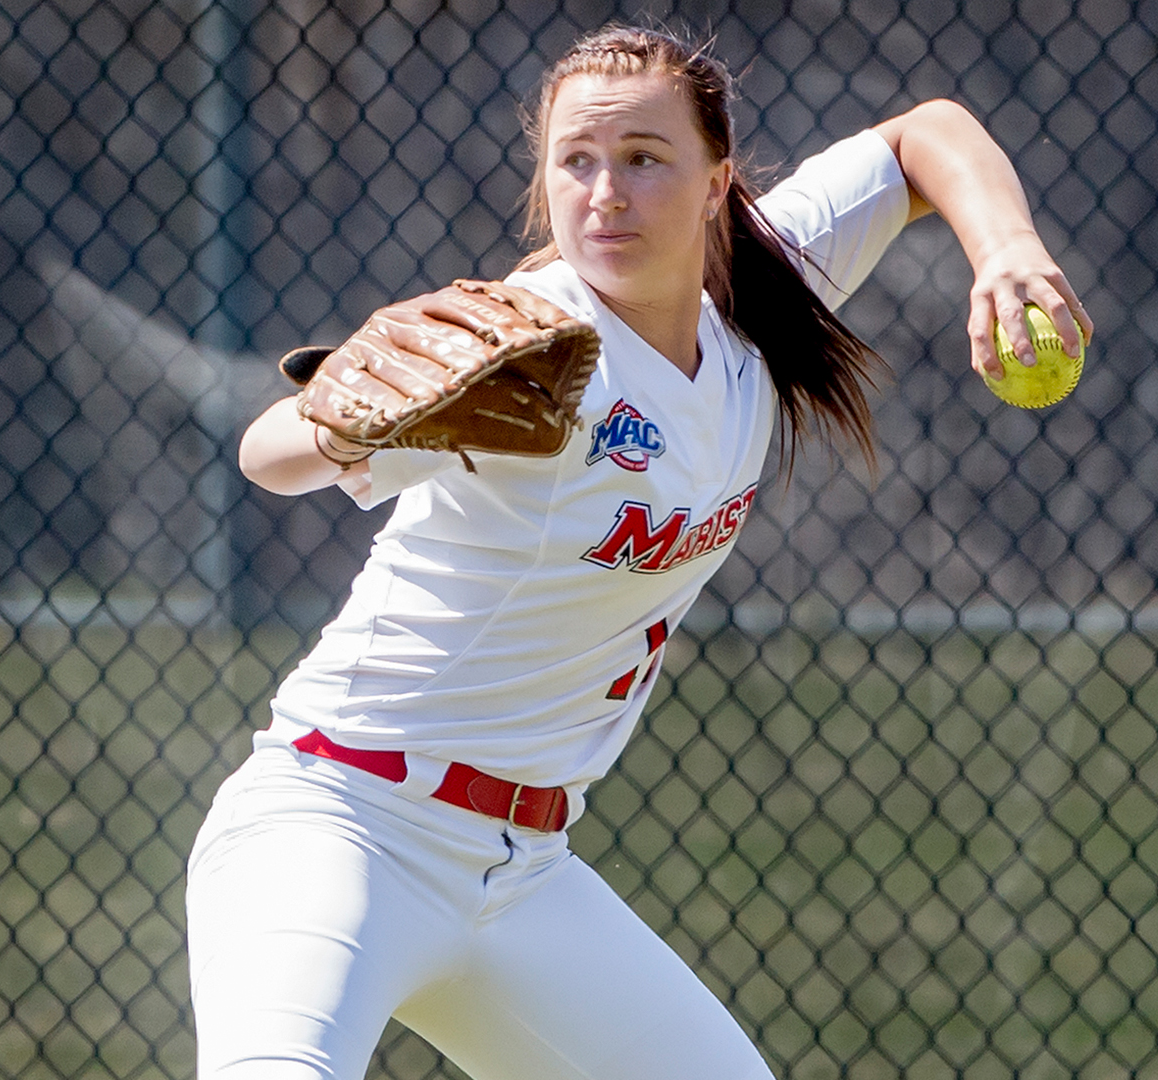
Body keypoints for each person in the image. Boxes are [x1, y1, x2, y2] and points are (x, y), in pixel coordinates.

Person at [187, 23, 1091, 1080]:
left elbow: (919, 140)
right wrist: (342, 421)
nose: (605, 192)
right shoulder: (530, 352)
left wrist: (1010, 250)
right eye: (576, 160)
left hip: (524, 873)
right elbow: (267, 455)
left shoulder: (760, 287)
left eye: (644, 159)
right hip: (340, 825)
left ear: (717, 184)